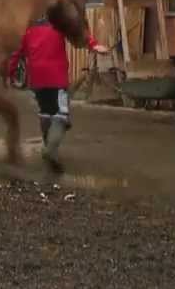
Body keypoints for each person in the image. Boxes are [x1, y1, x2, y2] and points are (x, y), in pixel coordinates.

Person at [7, 16, 109, 173]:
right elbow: (78, 35)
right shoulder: (59, 27)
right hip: (57, 79)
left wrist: (10, 73)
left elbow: (16, 54)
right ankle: (50, 150)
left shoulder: (28, 31)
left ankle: (48, 146)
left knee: (46, 113)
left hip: (37, 81)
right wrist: (94, 46)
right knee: (61, 115)